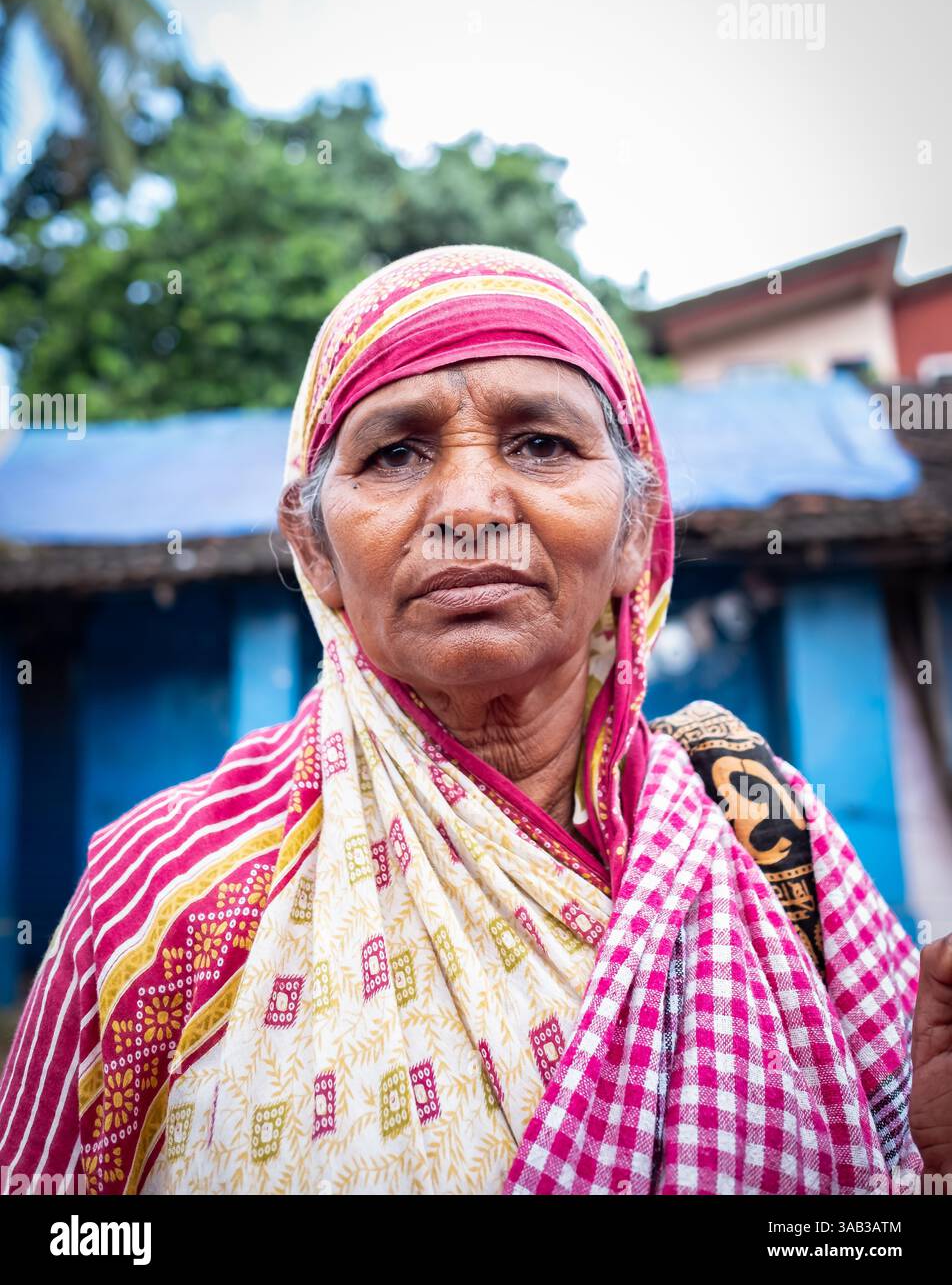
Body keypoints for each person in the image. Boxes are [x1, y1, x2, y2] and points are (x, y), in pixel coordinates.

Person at [1, 243, 950, 1195]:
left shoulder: (765, 836)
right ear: (314, 548)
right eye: (396, 453)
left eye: (542, 444)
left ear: (634, 531)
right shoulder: (161, 896)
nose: (468, 512)